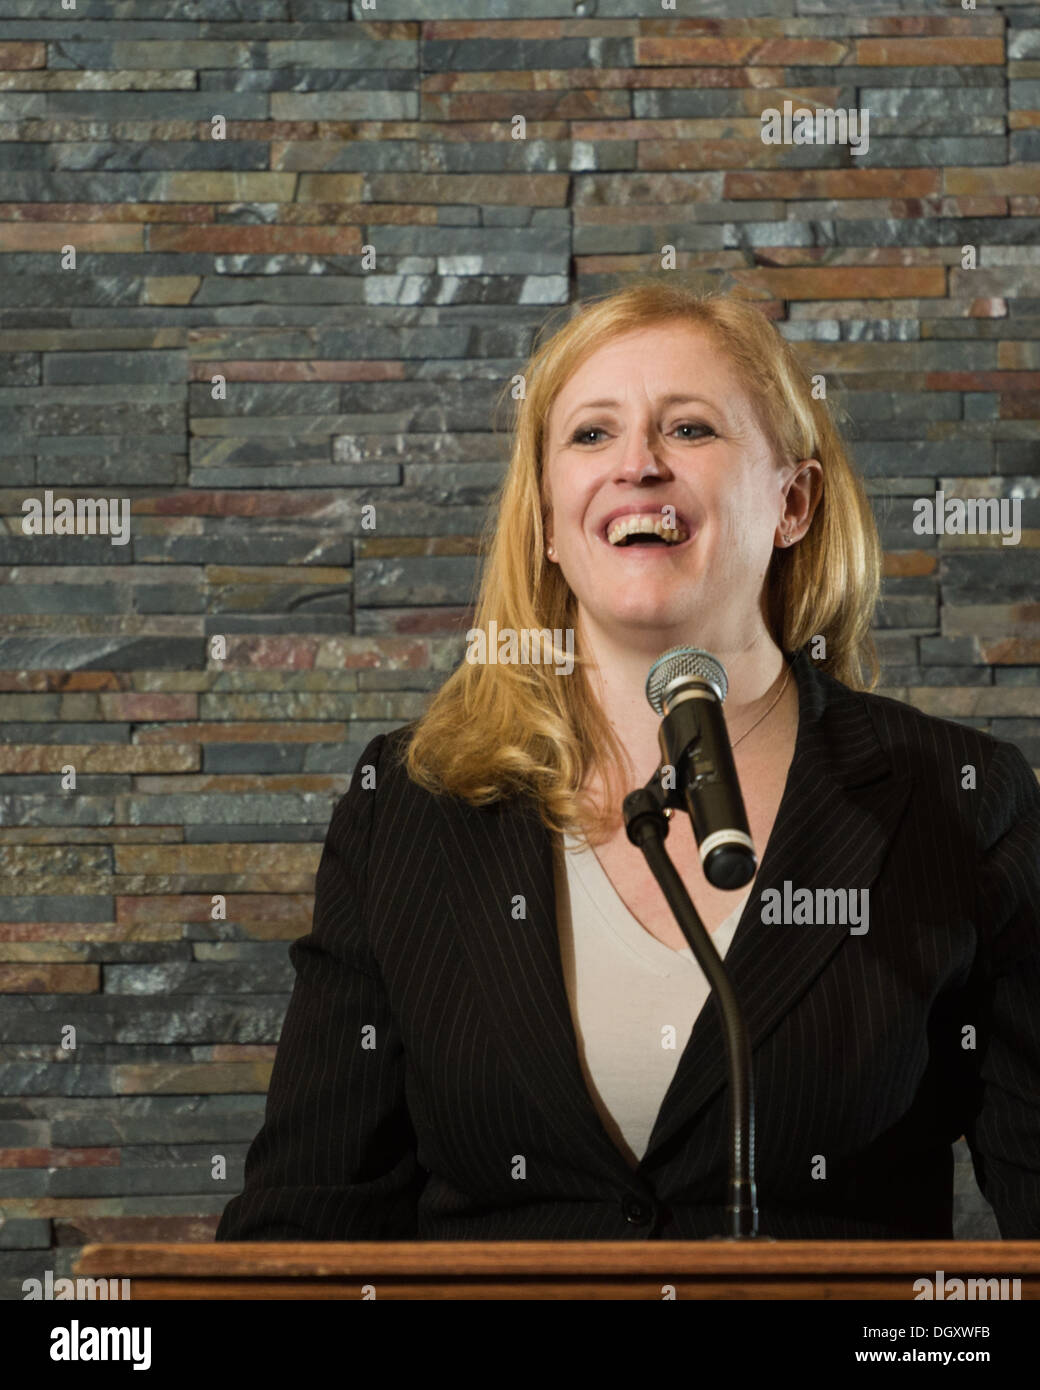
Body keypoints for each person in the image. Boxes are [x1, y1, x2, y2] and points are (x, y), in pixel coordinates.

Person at [216, 280, 1040, 1242]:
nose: (638, 466)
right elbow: (305, 1226)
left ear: (793, 502)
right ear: (545, 524)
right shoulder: (409, 807)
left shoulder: (961, 801)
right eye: (592, 435)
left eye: (689, 430)